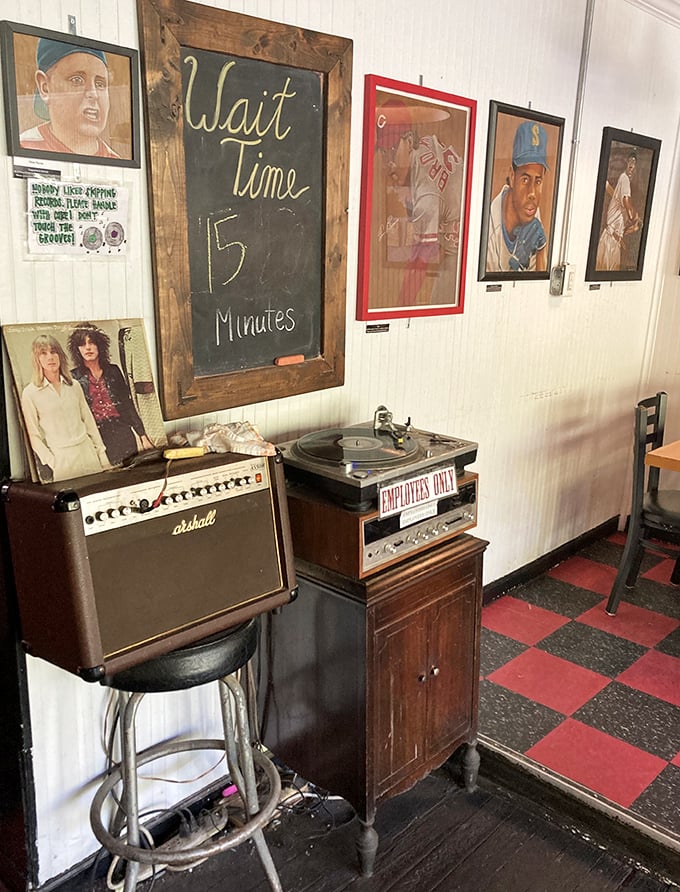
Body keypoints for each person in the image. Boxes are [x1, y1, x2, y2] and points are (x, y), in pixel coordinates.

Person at [376, 101, 463, 306]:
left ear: (408, 141)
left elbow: (420, 263)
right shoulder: (423, 145)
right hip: (457, 236)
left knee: (438, 310)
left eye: (393, 148)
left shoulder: (426, 195)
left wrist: (399, 309)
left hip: (463, 254)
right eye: (383, 152)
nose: (389, 162)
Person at [20, 335, 111, 483]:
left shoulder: (74, 385)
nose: (50, 357)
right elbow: (33, 436)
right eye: (43, 353)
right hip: (62, 459)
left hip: (87, 453)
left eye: (53, 351)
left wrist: (101, 454)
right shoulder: (30, 393)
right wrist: (52, 461)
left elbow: (89, 422)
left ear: (60, 355)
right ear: (37, 359)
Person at [67, 323, 155, 467]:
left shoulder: (113, 371)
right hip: (95, 435)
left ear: (100, 346)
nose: (88, 348)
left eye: (92, 342)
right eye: (82, 344)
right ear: (77, 349)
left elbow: (127, 404)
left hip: (122, 431)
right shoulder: (74, 377)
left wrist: (143, 436)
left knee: (131, 471)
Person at [19, 38, 119, 158]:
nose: (93, 94)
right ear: (45, 87)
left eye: (100, 84)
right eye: (77, 80)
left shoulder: (115, 160)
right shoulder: (25, 147)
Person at [486, 120, 550, 273]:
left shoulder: (530, 208)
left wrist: (541, 251)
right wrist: (516, 264)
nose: (532, 193)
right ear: (512, 176)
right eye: (525, 179)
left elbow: (536, 284)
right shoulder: (490, 226)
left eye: (538, 181)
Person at [596, 150, 641, 271]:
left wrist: (635, 226)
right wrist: (634, 216)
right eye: (630, 161)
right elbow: (626, 201)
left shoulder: (625, 183)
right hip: (609, 240)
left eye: (635, 163)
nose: (632, 165)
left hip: (614, 241)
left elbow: (625, 229)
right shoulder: (624, 178)